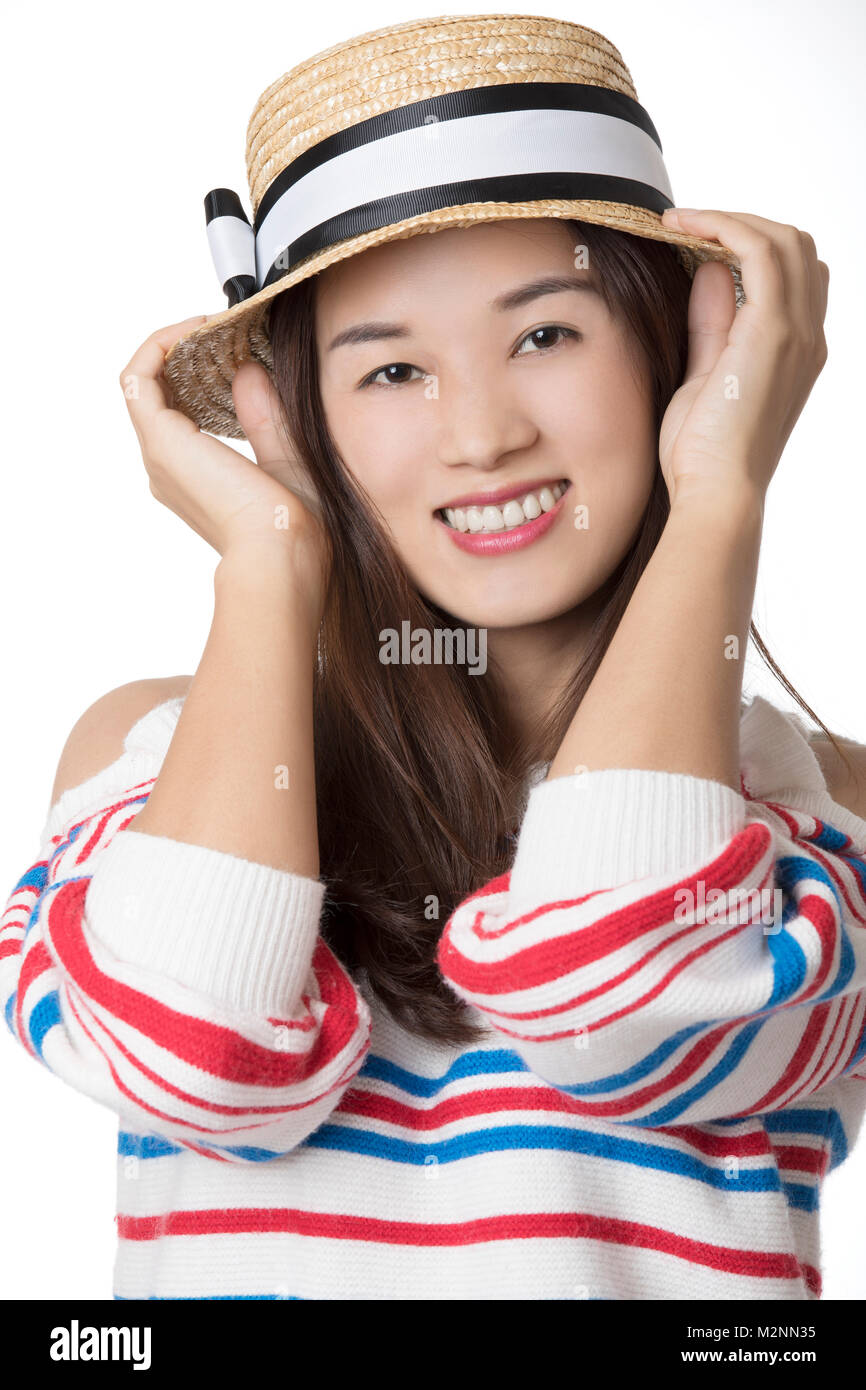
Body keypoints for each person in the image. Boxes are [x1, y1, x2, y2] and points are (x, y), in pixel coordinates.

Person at [3, 13, 866, 1302]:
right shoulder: (156, 760)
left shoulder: (819, 810)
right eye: (392, 368)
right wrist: (267, 562)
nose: (479, 436)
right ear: (298, 417)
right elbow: (193, 1068)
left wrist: (723, 494)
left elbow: (614, 996)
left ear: (678, 350)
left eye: (546, 335)